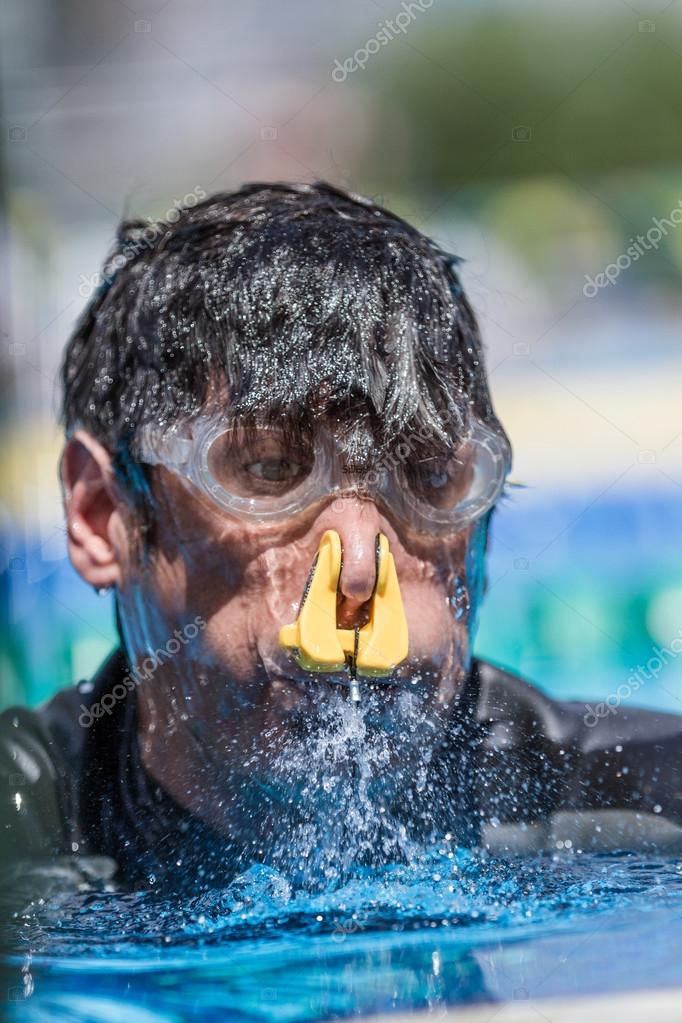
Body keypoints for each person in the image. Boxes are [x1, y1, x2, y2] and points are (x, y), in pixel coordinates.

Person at [2, 181, 681, 894]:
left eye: (427, 474)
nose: (358, 570)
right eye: (268, 468)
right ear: (101, 513)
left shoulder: (641, 806)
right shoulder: (24, 834)